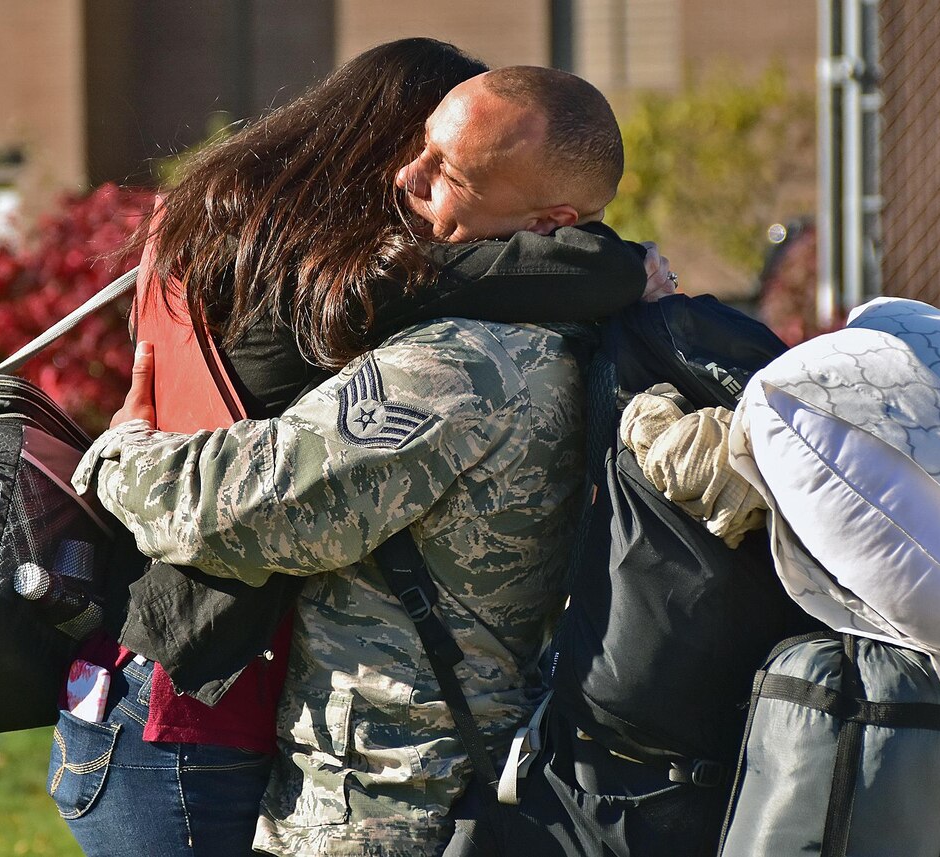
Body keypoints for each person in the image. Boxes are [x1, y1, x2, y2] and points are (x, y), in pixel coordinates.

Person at [52, 44, 657, 857]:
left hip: (371, 796)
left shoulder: (454, 365)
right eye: (419, 148)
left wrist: (119, 448)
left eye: (449, 173)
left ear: (549, 224)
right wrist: (618, 266)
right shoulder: (599, 333)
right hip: (461, 764)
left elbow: (241, 507)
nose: (406, 179)